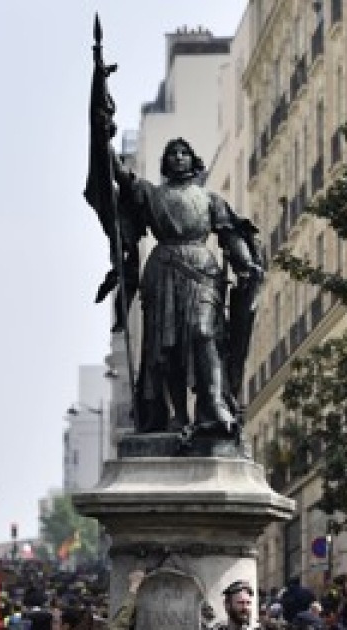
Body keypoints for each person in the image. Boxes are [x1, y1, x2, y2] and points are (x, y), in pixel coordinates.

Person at [108, 137, 264, 437]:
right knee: (167, 350)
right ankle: (177, 416)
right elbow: (120, 176)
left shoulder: (209, 200)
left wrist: (246, 263)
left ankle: (215, 405)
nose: (179, 158)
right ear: (165, 163)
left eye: (184, 153)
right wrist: (104, 136)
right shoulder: (150, 193)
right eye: (172, 154)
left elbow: (229, 232)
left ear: (194, 160)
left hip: (202, 271)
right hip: (162, 271)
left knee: (204, 333)